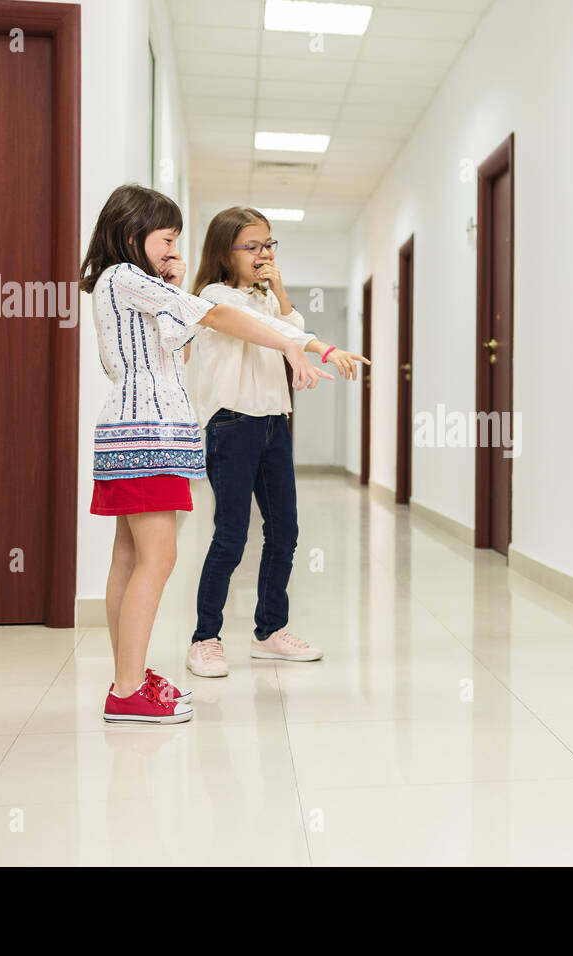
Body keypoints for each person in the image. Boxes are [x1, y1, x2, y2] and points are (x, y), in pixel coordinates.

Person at [80, 184, 332, 723]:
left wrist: (169, 282)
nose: (174, 250)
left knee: (129, 556)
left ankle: (129, 675)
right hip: (145, 429)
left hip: (140, 428)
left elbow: (180, 340)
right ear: (132, 236)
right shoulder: (124, 277)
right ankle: (128, 690)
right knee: (159, 556)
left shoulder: (130, 284)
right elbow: (215, 316)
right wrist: (291, 343)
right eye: (166, 239)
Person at [184, 206, 369, 678]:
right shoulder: (212, 296)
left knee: (285, 530)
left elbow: (289, 323)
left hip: (273, 423)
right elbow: (277, 334)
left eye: (269, 244)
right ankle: (205, 638)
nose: (264, 254)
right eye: (254, 246)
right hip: (232, 423)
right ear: (226, 251)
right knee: (230, 535)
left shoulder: (264, 298)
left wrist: (280, 290)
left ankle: (269, 632)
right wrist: (315, 346)